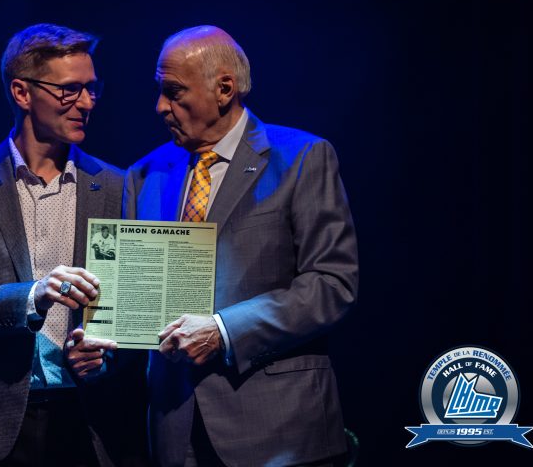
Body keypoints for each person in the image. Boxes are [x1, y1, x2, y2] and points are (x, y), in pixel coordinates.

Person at [122, 26, 359, 466]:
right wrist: (102, 346)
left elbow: (332, 284)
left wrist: (225, 330)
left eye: (173, 91)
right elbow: (141, 302)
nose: (160, 106)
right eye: (159, 91)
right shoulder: (144, 175)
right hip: (175, 431)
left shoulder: (302, 158)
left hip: (278, 429)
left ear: (225, 89)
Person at [0, 23, 143, 466]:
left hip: (89, 422)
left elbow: (133, 306)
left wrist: (107, 354)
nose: (87, 103)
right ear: (22, 93)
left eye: (92, 88)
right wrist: (33, 295)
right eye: (70, 90)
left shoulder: (117, 185)